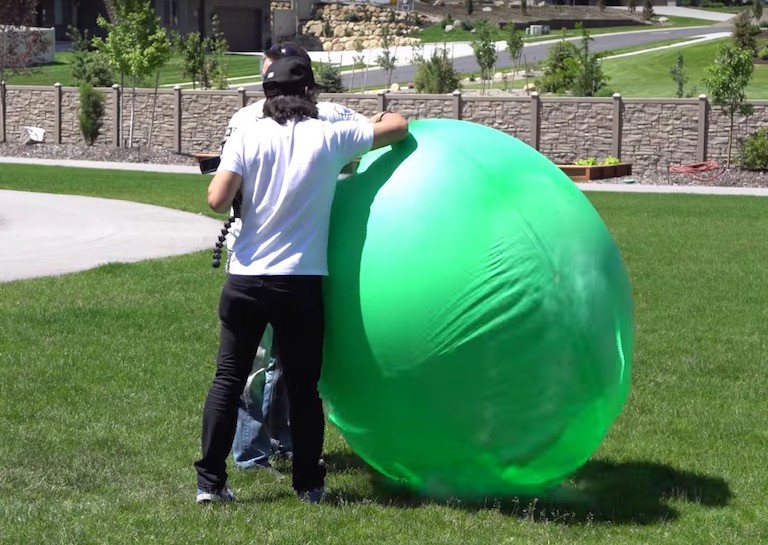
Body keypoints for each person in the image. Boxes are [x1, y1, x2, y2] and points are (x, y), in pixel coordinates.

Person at [195, 56, 409, 504]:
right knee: (303, 387)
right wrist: (373, 118)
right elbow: (399, 126)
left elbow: (217, 199)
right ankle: (309, 485)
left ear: (266, 96)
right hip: (299, 282)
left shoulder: (247, 133)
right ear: (311, 92)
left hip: (246, 280)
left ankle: (210, 485)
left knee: (227, 380)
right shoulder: (331, 135)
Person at [223, 42, 370, 473]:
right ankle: (254, 452)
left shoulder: (329, 117)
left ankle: (282, 443)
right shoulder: (253, 121)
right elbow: (388, 127)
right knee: (264, 365)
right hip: (277, 265)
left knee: (283, 367)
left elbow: (220, 191)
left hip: (266, 267)